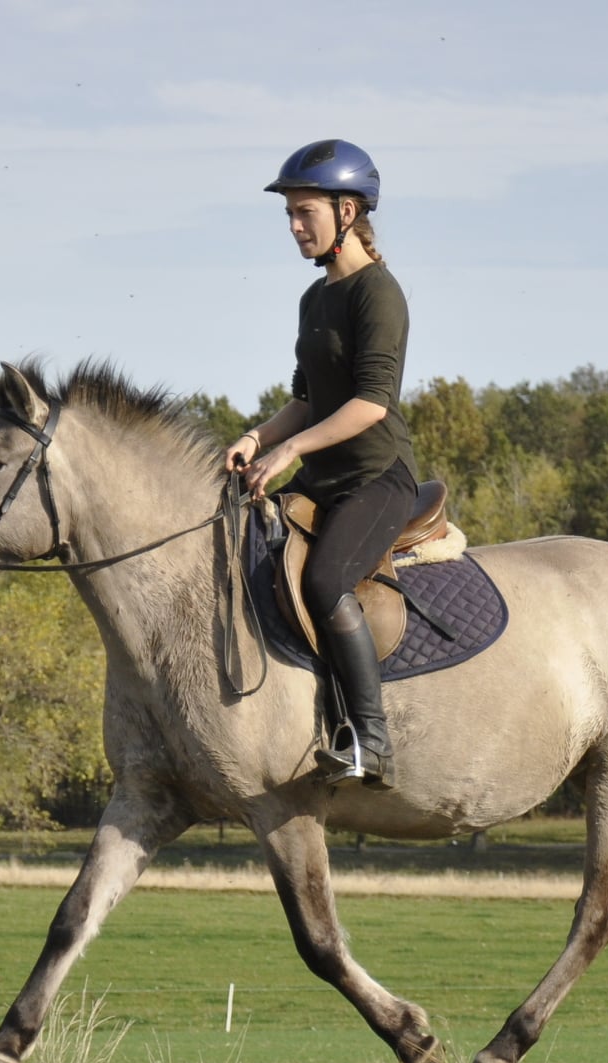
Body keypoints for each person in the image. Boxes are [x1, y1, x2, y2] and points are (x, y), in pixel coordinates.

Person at [224, 139, 417, 789]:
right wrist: (256, 439)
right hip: (320, 480)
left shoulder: (377, 294)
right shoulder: (314, 301)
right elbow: (306, 400)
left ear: (349, 210)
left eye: (305, 212)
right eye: (289, 216)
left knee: (324, 582)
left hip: (374, 480)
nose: (295, 227)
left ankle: (371, 740)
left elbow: (370, 404)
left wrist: (289, 450)